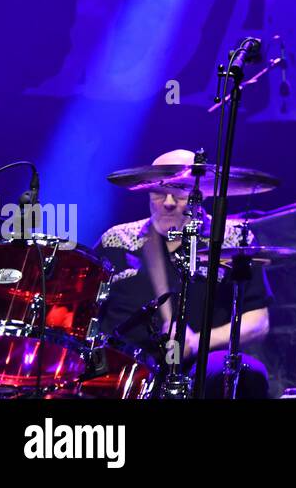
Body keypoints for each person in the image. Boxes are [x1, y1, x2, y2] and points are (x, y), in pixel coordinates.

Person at [94, 149, 273, 398]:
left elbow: (258, 322)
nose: (168, 202)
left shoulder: (231, 240)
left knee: (244, 372)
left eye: (179, 190)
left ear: (204, 191)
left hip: (201, 370)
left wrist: (196, 342)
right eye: (159, 191)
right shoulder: (116, 240)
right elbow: (84, 311)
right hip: (123, 368)